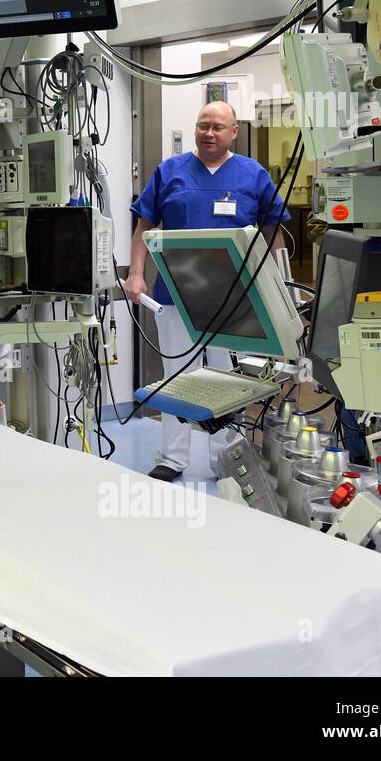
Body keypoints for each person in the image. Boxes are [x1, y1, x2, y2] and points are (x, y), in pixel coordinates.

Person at [123, 101, 289, 482]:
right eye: (202, 126)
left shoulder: (253, 174)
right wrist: (136, 274)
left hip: (234, 300)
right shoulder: (170, 172)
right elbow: (144, 227)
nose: (209, 133)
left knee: (230, 381)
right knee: (176, 375)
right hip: (175, 295)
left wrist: (282, 290)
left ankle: (227, 459)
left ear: (234, 132)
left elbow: (273, 235)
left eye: (218, 127)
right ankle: (173, 457)